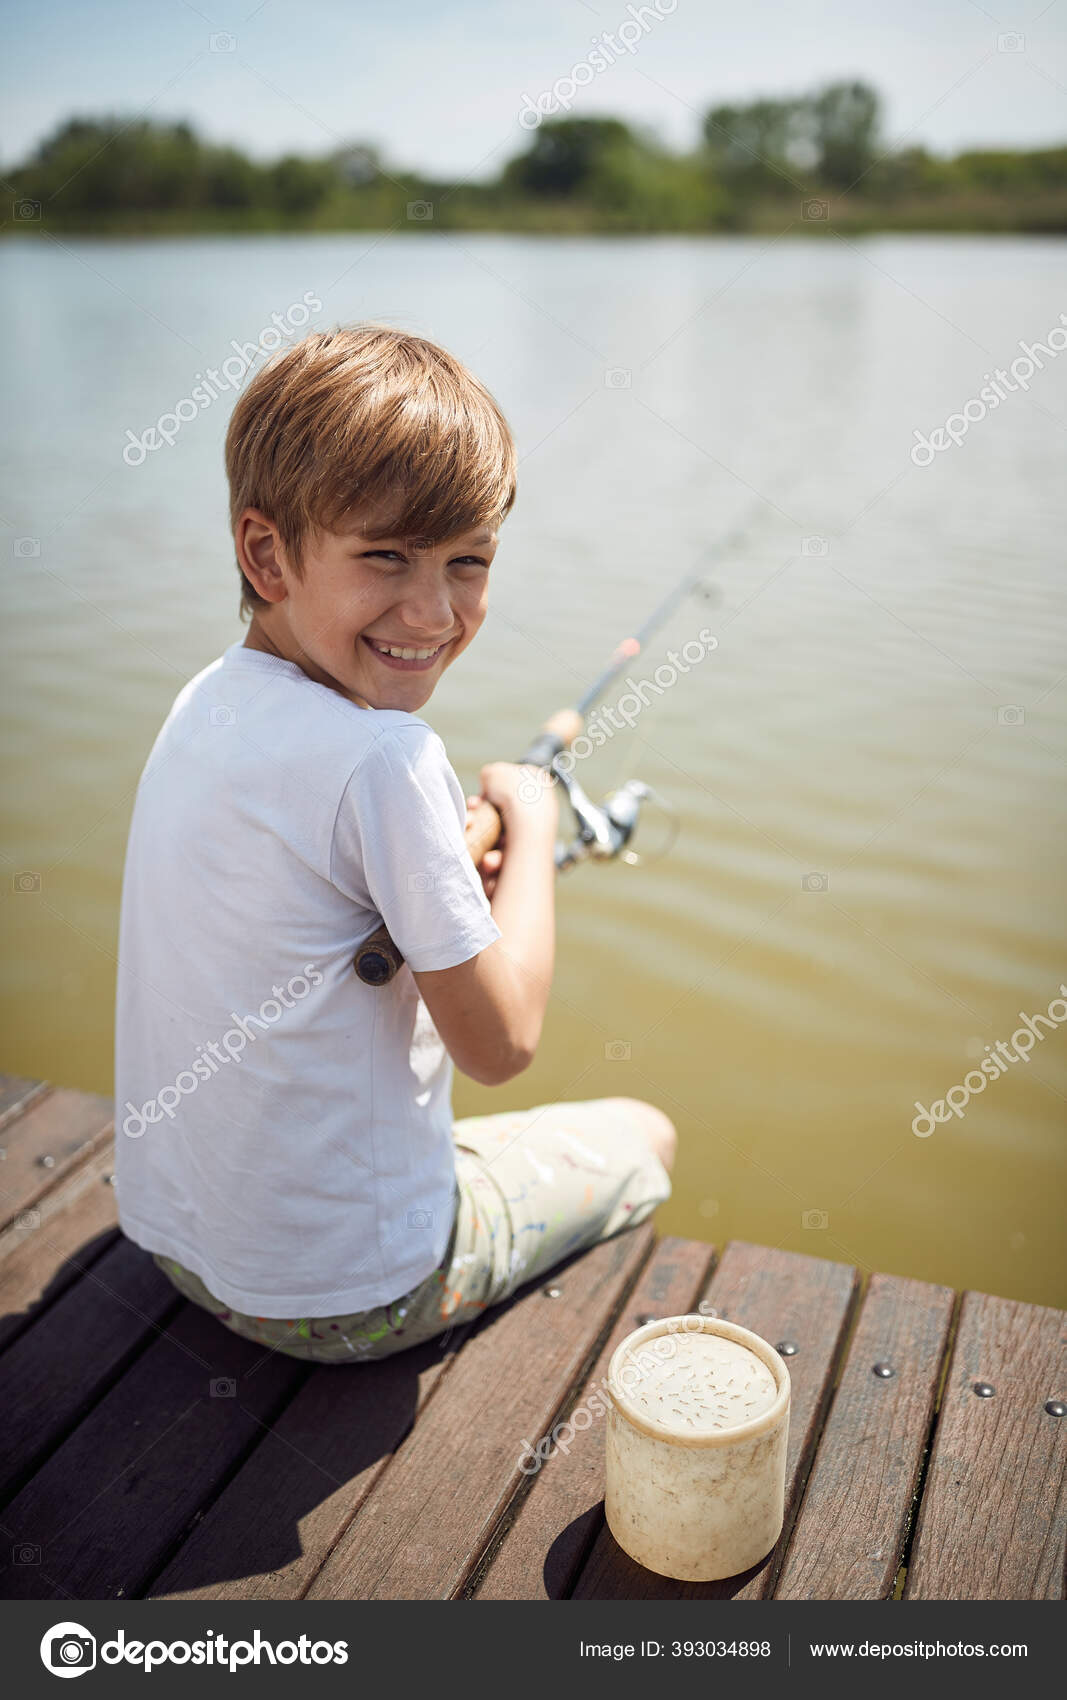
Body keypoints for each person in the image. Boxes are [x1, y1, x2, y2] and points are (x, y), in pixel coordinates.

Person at [114, 323, 675, 1364]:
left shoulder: (204, 703)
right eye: (386, 556)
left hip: (174, 1244)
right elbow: (500, 1047)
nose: (432, 611)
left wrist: (439, 869)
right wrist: (530, 821)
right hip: (348, 1297)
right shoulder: (388, 758)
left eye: (469, 562)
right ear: (266, 554)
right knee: (646, 1129)